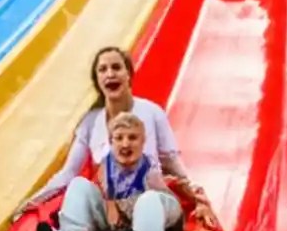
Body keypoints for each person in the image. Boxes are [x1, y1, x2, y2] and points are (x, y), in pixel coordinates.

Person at [36, 112, 219, 231]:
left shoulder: (153, 167)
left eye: (132, 138)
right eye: (119, 138)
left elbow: (186, 183)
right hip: (122, 228)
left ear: (142, 142)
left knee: (147, 200)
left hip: (162, 218)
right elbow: (90, 196)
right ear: (111, 143)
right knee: (79, 185)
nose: (125, 144)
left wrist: (200, 203)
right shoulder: (105, 170)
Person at [14, 46, 188, 218]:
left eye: (116, 67)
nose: (110, 74)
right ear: (97, 80)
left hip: (149, 199)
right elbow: (68, 173)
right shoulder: (90, 122)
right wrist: (35, 200)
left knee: (145, 190)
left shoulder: (151, 112)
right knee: (79, 186)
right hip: (112, 207)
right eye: (103, 70)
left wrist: (196, 196)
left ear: (128, 74)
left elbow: (172, 161)